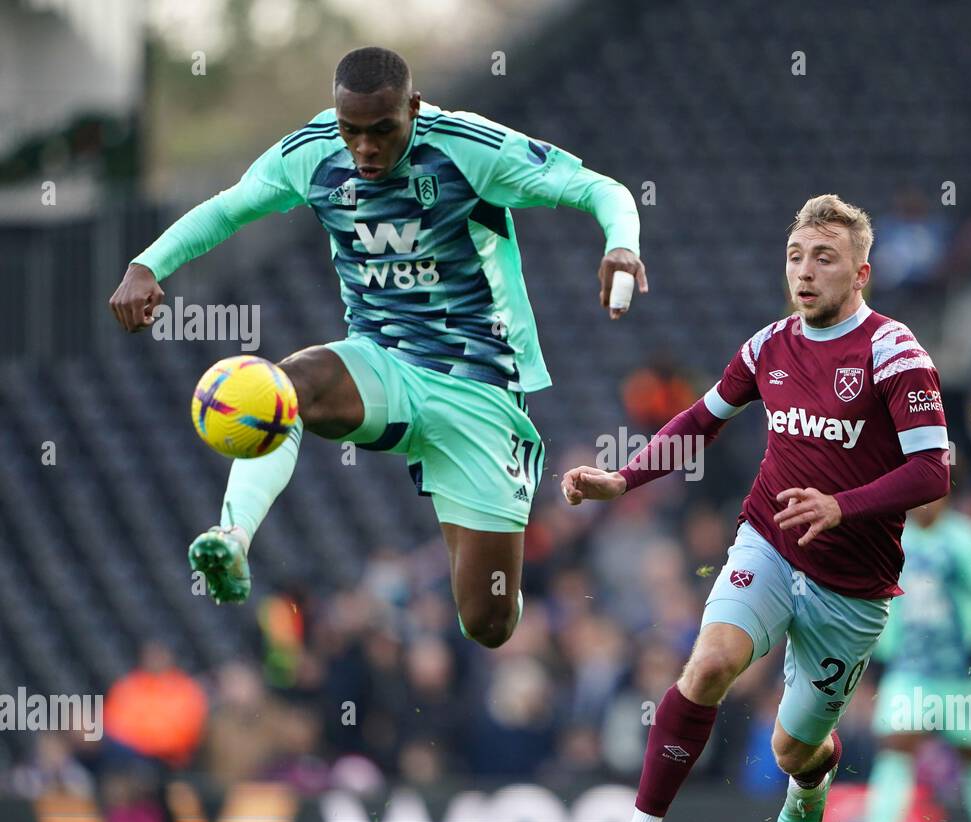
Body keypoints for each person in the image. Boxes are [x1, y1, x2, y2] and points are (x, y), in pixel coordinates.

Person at [109, 46, 647, 649]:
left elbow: (600, 189)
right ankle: (232, 538)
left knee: (487, 622)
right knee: (282, 389)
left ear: (413, 108)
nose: (365, 148)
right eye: (352, 131)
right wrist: (148, 264)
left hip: (479, 386)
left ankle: (506, 571)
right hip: (382, 362)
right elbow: (229, 209)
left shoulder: (467, 148)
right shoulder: (310, 153)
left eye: (383, 130)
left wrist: (620, 243)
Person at [562, 194, 950, 822]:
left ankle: (809, 783)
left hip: (852, 587)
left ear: (860, 273)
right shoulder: (768, 345)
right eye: (796, 256)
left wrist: (842, 505)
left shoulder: (895, 352)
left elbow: (933, 471)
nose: (804, 271)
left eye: (824, 258)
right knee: (709, 664)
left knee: (792, 747)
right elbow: (701, 420)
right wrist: (624, 478)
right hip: (768, 543)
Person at [839, 496, 971, 822]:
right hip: (912, 668)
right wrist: (882, 648)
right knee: (897, 742)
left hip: (961, 671)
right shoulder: (896, 539)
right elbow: (883, 598)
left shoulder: (965, 540)